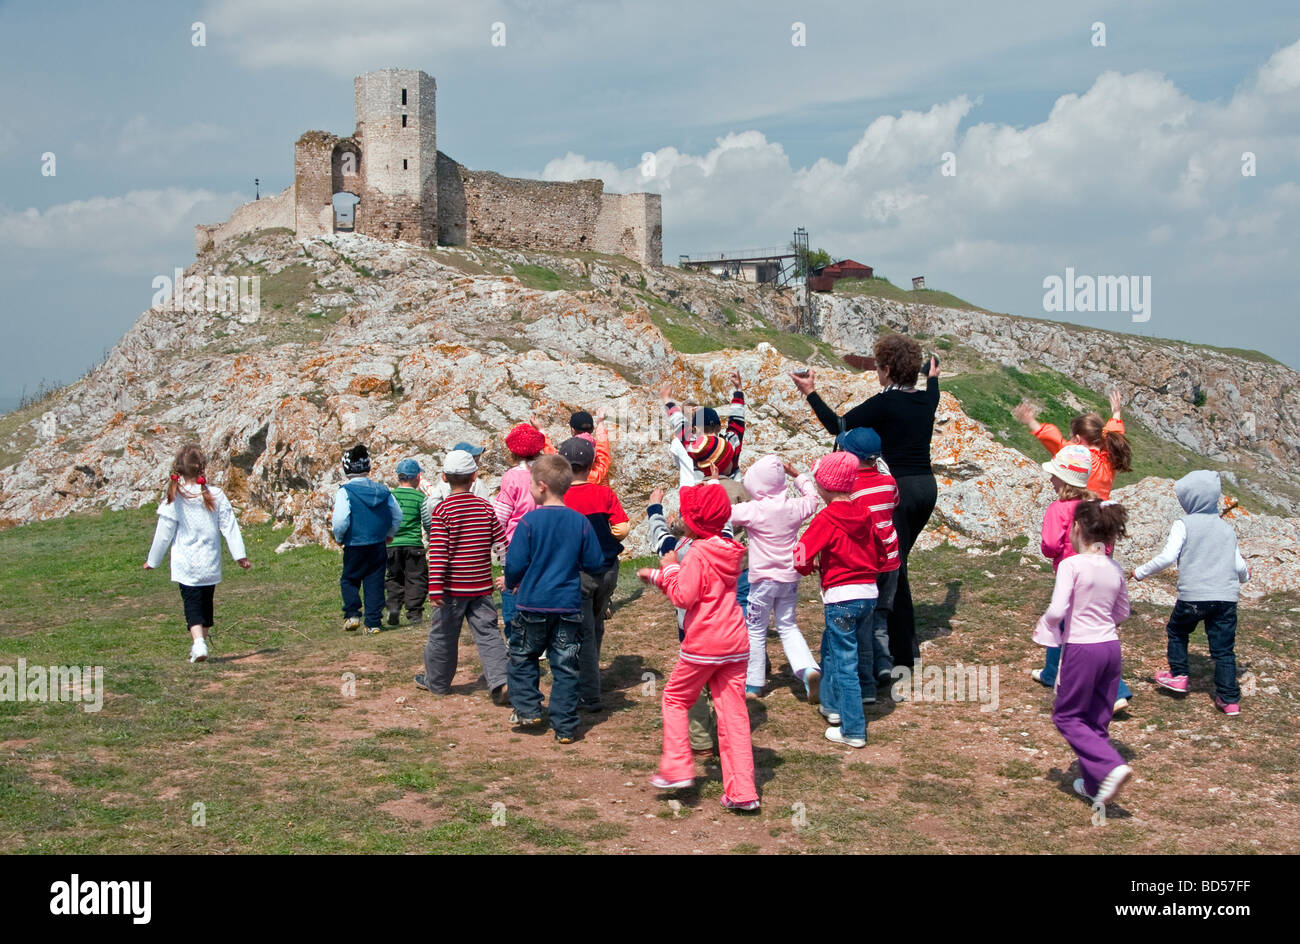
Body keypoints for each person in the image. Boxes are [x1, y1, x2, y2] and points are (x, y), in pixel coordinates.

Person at [791, 333, 939, 668]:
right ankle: (894, 648)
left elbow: (838, 425)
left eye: (878, 367)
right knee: (895, 562)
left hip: (897, 489)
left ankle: (900, 656)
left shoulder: (885, 402)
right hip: (926, 489)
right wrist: (933, 377)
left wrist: (810, 393)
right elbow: (933, 388)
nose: (877, 372)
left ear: (886, 368)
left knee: (893, 566)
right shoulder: (926, 399)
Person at [638, 484, 759, 811]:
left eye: (687, 515)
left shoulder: (698, 554)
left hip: (705, 642)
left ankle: (677, 768)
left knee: (675, 697)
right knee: (733, 713)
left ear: (695, 522)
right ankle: (743, 790)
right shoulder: (729, 549)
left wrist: (669, 568)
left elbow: (684, 596)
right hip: (735, 641)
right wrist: (662, 574)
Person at [1033, 500, 1133, 806]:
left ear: (1076, 528)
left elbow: (1058, 608)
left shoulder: (1071, 565)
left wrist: (1046, 628)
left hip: (1082, 648)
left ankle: (1111, 765)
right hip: (1110, 647)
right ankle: (1094, 785)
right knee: (1097, 718)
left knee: (1067, 716)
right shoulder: (1114, 568)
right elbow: (1123, 611)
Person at [503, 455, 607, 743]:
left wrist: (512, 582)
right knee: (565, 664)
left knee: (524, 657)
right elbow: (595, 562)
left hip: (532, 602)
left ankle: (527, 709)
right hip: (568, 605)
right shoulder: (580, 522)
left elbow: (514, 563)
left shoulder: (528, 522)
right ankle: (564, 725)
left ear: (542, 486)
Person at [794, 451, 891, 749]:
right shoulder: (865, 513)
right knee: (839, 648)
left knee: (844, 660)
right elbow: (881, 551)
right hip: (868, 594)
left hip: (841, 598)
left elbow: (801, 554)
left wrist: (807, 568)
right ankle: (833, 704)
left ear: (823, 487)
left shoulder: (826, 519)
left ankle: (853, 729)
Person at [1133, 470, 1250, 716]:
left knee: (1177, 630)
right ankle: (1229, 700)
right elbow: (1239, 565)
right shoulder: (1226, 529)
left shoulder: (1183, 524)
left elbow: (1167, 557)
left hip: (1194, 596)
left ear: (1191, 500)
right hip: (1226, 598)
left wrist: (1140, 572)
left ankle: (1178, 675)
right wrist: (1245, 578)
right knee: (1223, 650)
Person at [1030, 443, 1134, 711]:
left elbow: (1050, 545)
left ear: (1064, 479)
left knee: (1077, 632)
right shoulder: (1097, 506)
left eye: (1054, 474)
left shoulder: (1059, 508)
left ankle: (1115, 691)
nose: (1050, 479)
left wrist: (1052, 553)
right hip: (1100, 577)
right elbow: (1107, 545)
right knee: (1068, 627)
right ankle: (1051, 671)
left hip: (1071, 575)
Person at [417, 449, 511, 704]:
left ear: (444, 478)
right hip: (481, 587)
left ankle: (436, 683)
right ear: (474, 477)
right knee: (489, 634)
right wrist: (509, 571)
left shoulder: (443, 511)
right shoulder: (484, 507)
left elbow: (437, 553)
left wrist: (435, 588)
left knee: (443, 636)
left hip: (450, 590)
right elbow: (501, 544)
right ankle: (502, 681)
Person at [144, 444, 251, 663]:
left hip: (186, 563)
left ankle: (199, 644)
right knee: (206, 604)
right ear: (202, 467)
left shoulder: (174, 498)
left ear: (178, 470)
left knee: (192, 605)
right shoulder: (216, 495)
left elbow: (163, 533)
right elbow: (229, 526)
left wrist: (152, 561)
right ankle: (200, 645)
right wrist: (239, 555)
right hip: (210, 562)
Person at [727, 454, 821, 699]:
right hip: (789, 578)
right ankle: (808, 669)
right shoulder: (794, 506)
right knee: (788, 625)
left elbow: (725, 512)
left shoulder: (753, 510)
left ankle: (754, 683)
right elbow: (813, 499)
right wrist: (798, 476)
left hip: (762, 582)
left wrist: (716, 483)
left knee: (756, 629)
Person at [558, 436, 630, 712]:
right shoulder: (604, 493)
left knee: (583, 632)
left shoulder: (561, 497)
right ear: (592, 465)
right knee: (596, 625)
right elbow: (622, 528)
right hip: (608, 569)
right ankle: (593, 675)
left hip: (579, 573)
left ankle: (589, 693)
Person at [836, 427, 901, 702]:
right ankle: (884, 665)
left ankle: (865, 682)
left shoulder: (851, 490)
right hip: (892, 560)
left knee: (862, 624)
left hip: (866, 563)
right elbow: (894, 503)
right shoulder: (889, 483)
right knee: (881, 617)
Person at [332, 444, 402, 635]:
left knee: (349, 579)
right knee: (375, 581)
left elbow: (340, 519)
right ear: (368, 467)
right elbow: (397, 514)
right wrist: (390, 533)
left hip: (354, 544)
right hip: (378, 543)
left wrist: (339, 537)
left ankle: (353, 614)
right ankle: (373, 623)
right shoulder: (382, 490)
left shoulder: (345, 491)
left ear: (347, 470)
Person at [1012, 390, 1132, 499]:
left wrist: (1031, 421)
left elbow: (1054, 441)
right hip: (1100, 511)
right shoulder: (1110, 455)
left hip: (1080, 511)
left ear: (1078, 439)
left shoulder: (1078, 458)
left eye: (1071, 436)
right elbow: (1114, 432)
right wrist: (1116, 412)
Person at [493, 422, 550, 641]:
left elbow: (500, 516)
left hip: (515, 543)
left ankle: (515, 637)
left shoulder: (512, 477)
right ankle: (541, 637)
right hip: (544, 541)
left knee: (511, 586)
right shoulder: (546, 473)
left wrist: (498, 548)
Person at [661, 373, 746, 483]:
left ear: (695, 428)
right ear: (719, 427)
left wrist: (667, 399)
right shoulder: (731, 442)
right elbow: (737, 421)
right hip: (733, 493)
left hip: (705, 495)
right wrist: (738, 390)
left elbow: (678, 422)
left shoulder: (693, 446)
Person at [385, 458, 430, 628]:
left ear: (399, 477)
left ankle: (394, 606)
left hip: (391, 545)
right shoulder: (420, 498)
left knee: (394, 577)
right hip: (414, 545)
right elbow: (427, 522)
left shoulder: (390, 496)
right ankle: (414, 614)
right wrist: (431, 535)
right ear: (418, 477)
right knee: (416, 578)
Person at [422, 441, 491, 513]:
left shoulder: (444, 482)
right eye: (475, 459)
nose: (477, 462)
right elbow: (486, 506)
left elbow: (432, 503)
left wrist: (443, 514)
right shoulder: (477, 483)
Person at [567, 409, 613, 487]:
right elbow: (603, 448)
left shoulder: (569, 474)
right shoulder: (600, 468)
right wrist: (600, 423)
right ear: (592, 429)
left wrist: (542, 431)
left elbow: (552, 454)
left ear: (572, 430)